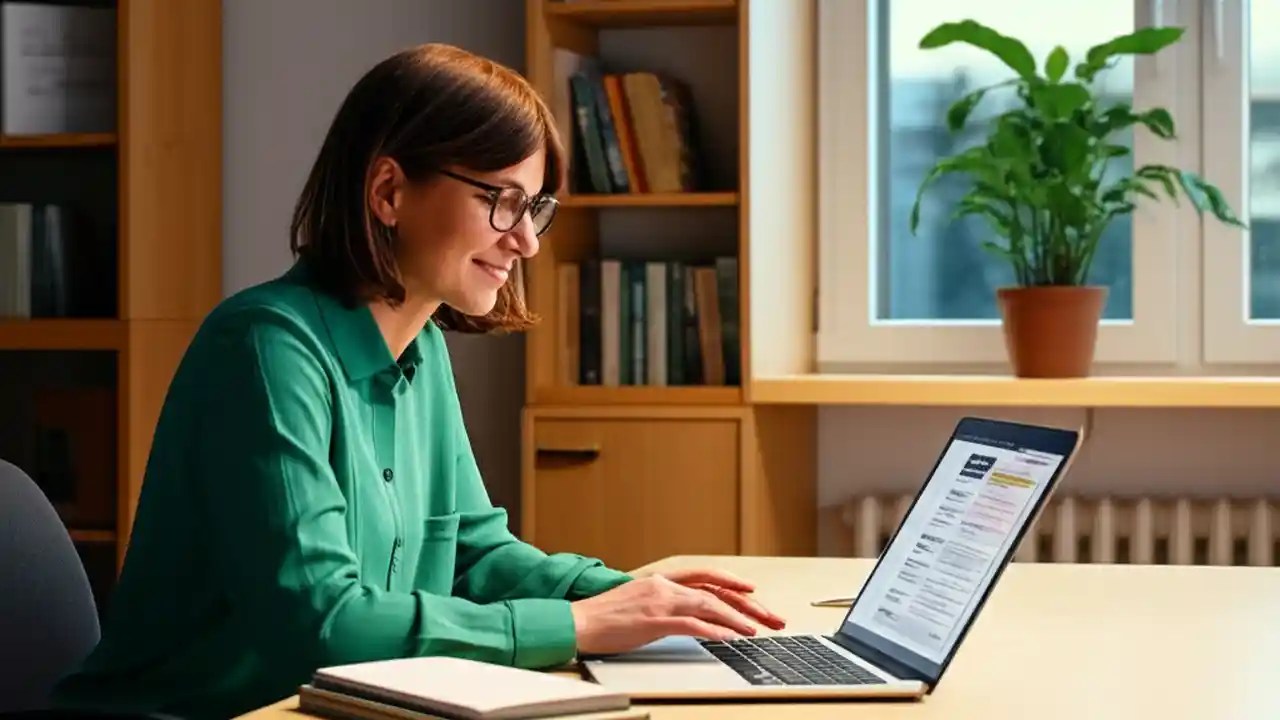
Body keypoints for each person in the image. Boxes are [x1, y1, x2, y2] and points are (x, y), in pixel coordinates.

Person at [50, 43, 784, 719]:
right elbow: (320, 622)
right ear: (389, 191)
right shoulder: (266, 350)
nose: (524, 240)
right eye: (500, 200)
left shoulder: (421, 348)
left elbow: (474, 554)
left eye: (535, 209)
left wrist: (631, 596)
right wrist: (577, 625)